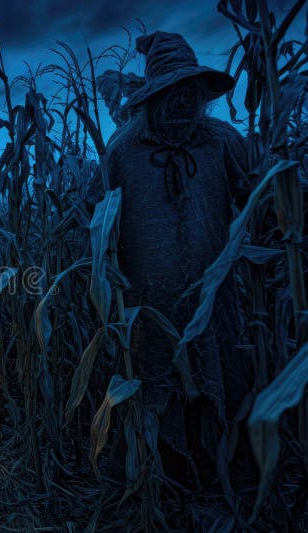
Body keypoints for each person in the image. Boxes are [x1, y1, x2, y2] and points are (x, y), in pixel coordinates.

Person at [99, 32, 251, 489]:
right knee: (157, 386)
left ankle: (225, 477)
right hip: (150, 304)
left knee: (218, 377)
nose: (184, 101)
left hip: (215, 297)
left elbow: (259, 198)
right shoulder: (124, 152)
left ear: (202, 95)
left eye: (192, 91)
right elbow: (97, 219)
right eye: (173, 92)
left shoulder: (222, 141)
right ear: (154, 97)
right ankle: (164, 482)